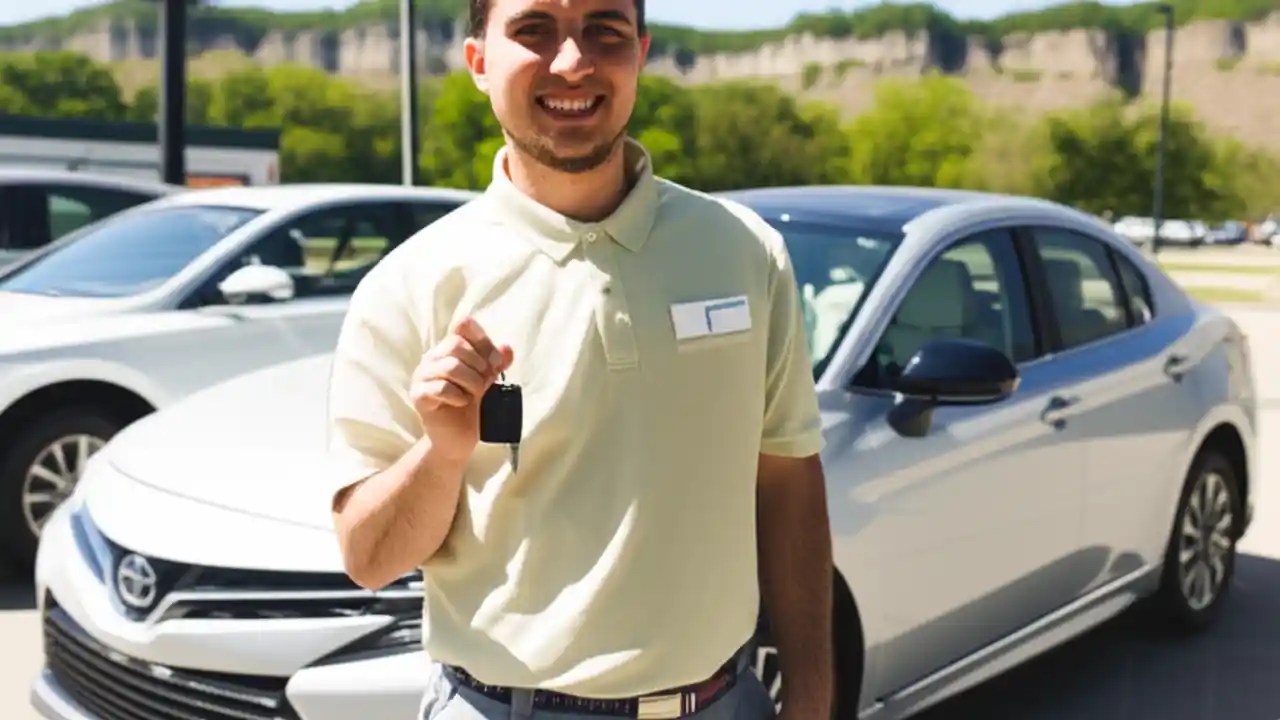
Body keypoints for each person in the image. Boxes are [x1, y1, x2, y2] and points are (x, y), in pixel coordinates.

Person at [324, 0, 834, 718]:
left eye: (605, 30)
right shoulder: (411, 284)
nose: (573, 61)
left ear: (640, 54)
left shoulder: (745, 253)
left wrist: (813, 698)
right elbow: (368, 558)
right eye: (534, 29)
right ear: (478, 62)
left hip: (725, 702)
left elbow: (788, 480)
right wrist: (440, 455)